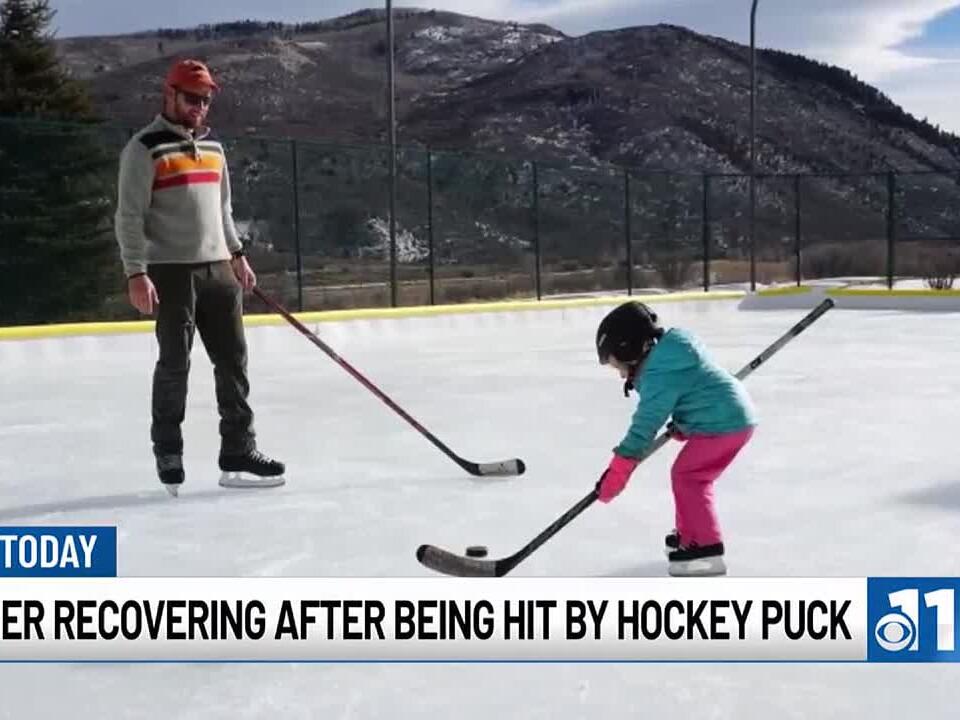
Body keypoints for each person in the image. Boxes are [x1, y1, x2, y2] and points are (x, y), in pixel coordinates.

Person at [113, 58, 285, 496]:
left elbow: (222, 211)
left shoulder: (215, 151)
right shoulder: (144, 148)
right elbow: (129, 217)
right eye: (192, 98)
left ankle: (238, 452)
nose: (199, 107)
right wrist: (136, 272)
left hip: (219, 270)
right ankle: (168, 450)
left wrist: (238, 254)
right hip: (170, 273)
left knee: (233, 362)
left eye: (206, 100)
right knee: (175, 363)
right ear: (169, 94)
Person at [593, 301, 756, 576]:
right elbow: (696, 390)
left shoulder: (659, 373)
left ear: (628, 349)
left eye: (618, 365)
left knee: (690, 477)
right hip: (726, 419)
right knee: (686, 476)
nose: (621, 374)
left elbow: (645, 426)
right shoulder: (672, 355)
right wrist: (689, 420)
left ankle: (706, 548)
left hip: (723, 424)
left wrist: (619, 470)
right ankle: (689, 534)